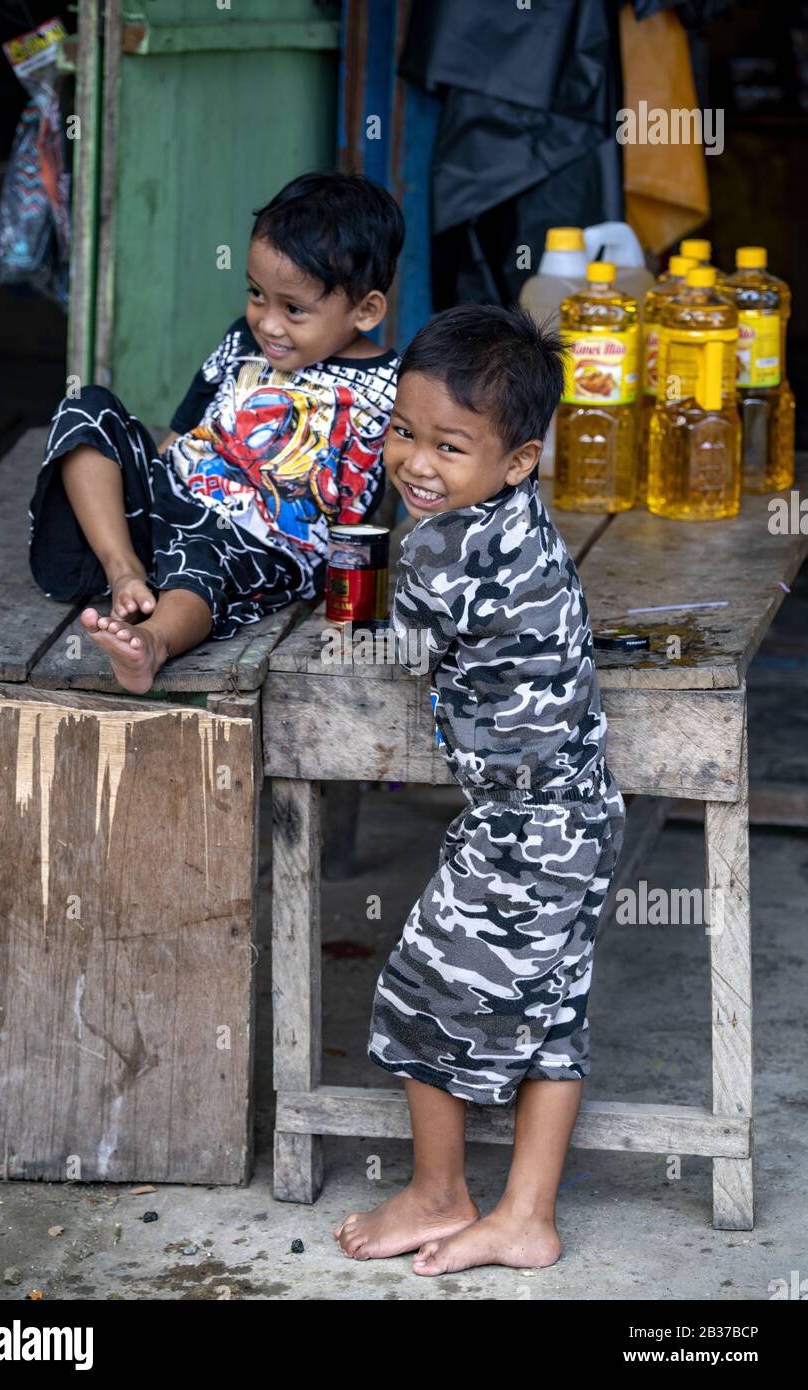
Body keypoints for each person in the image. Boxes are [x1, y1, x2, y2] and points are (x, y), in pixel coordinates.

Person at [335, 304, 626, 1275]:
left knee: (418, 995)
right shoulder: (509, 519)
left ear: (516, 460)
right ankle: (525, 1216)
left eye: (447, 446)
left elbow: (402, 651)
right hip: (576, 815)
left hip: (522, 831)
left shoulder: (436, 550)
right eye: (402, 432)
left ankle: (438, 1191)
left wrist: (355, 617)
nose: (415, 462)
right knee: (550, 1012)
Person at [27, 171, 405, 692]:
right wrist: (146, 486)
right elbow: (179, 435)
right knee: (86, 409)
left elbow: (366, 500)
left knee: (205, 552)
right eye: (256, 294)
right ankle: (123, 571)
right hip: (171, 503)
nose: (267, 322)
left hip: (260, 542)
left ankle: (153, 642)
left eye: (293, 308)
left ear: (366, 309)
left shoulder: (389, 390)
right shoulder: (241, 340)